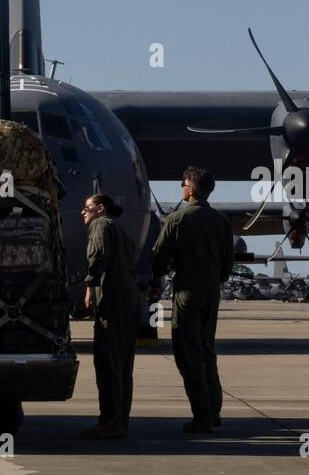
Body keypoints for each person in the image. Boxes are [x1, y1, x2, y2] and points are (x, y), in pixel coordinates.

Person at [151, 166, 233, 433]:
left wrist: (155, 278)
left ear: (191, 189)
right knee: (207, 350)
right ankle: (214, 409)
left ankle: (202, 416)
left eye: (183, 183)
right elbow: (227, 265)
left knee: (188, 354)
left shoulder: (177, 219)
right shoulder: (222, 221)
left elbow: (159, 257)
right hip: (212, 291)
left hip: (187, 291)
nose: (182, 188)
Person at [79, 194, 140, 440]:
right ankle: (120, 419)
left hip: (113, 296)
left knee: (107, 361)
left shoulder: (101, 224)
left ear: (100, 209)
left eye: (87, 208)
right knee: (123, 364)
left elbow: (98, 256)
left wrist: (89, 285)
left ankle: (111, 421)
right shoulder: (120, 230)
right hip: (130, 297)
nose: (83, 212)